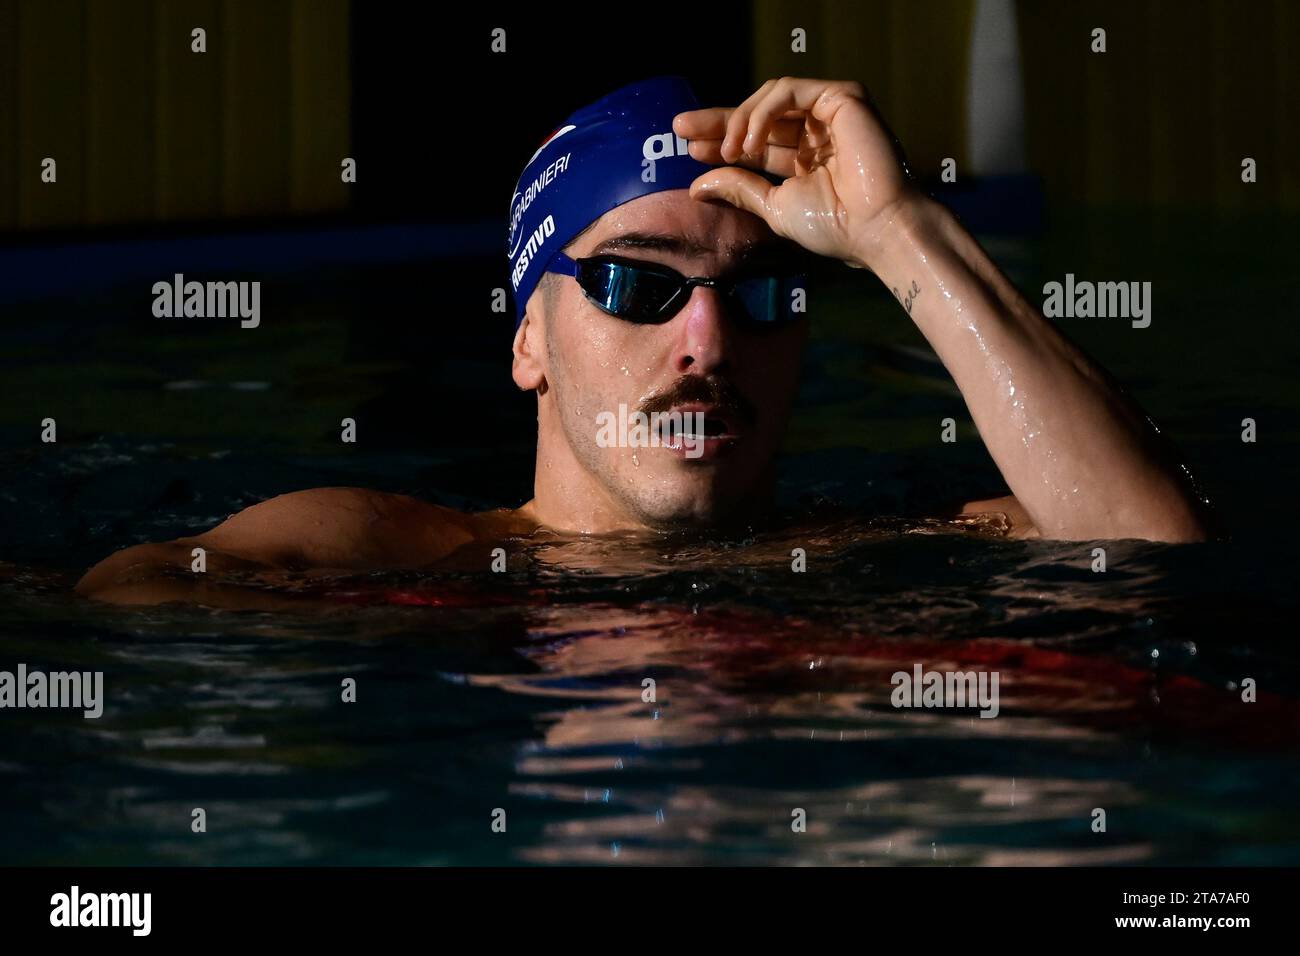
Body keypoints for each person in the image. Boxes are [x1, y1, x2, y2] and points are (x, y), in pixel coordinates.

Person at [76, 75, 1213, 606]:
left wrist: (896, 232)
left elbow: (1149, 544)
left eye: (760, 294)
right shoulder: (418, 551)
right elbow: (138, 594)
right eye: (635, 283)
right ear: (529, 339)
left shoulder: (888, 541)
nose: (709, 337)